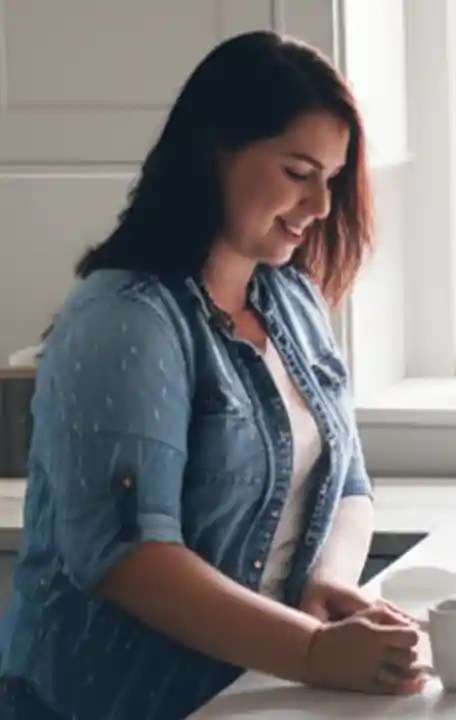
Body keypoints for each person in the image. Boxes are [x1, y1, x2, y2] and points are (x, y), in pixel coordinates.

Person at [0, 31, 428, 718]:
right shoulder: (124, 321)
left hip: (247, 693)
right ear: (215, 151)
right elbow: (131, 560)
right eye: (298, 173)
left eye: (333, 179)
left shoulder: (294, 298)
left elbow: (348, 480)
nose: (321, 206)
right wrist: (314, 650)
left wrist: (325, 585)